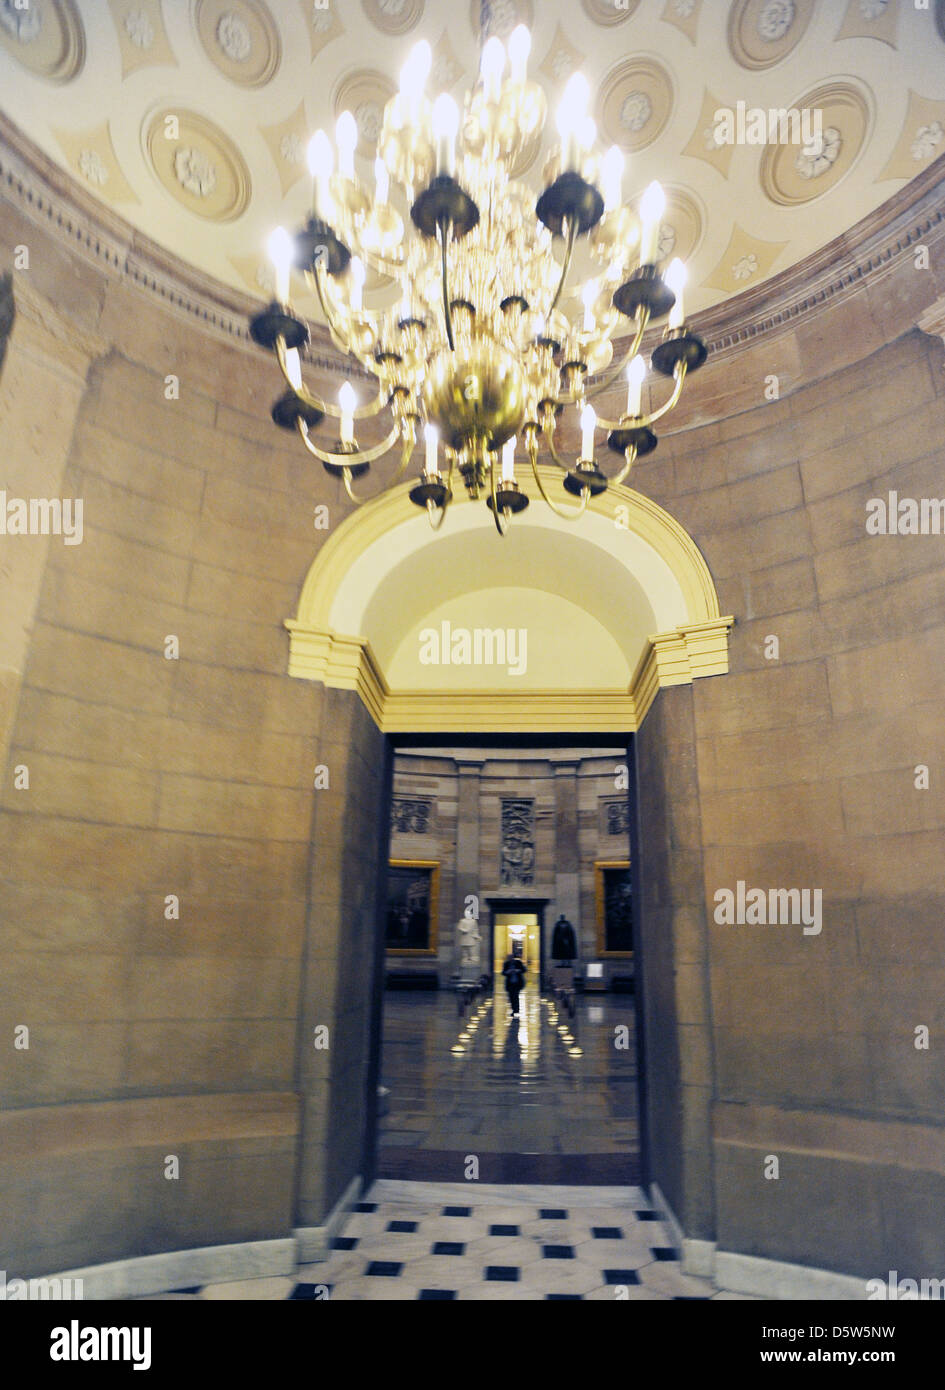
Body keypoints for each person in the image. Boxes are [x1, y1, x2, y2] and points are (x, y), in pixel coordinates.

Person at [502, 951, 526, 1018]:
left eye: (511, 957)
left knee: (516, 996)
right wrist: (507, 972)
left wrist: (518, 970)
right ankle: (513, 1009)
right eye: (509, 957)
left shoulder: (518, 962)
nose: (510, 958)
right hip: (510, 983)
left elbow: (524, 970)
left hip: (517, 983)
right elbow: (503, 972)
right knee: (511, 997)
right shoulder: (506, 964)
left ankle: (516, 1010)